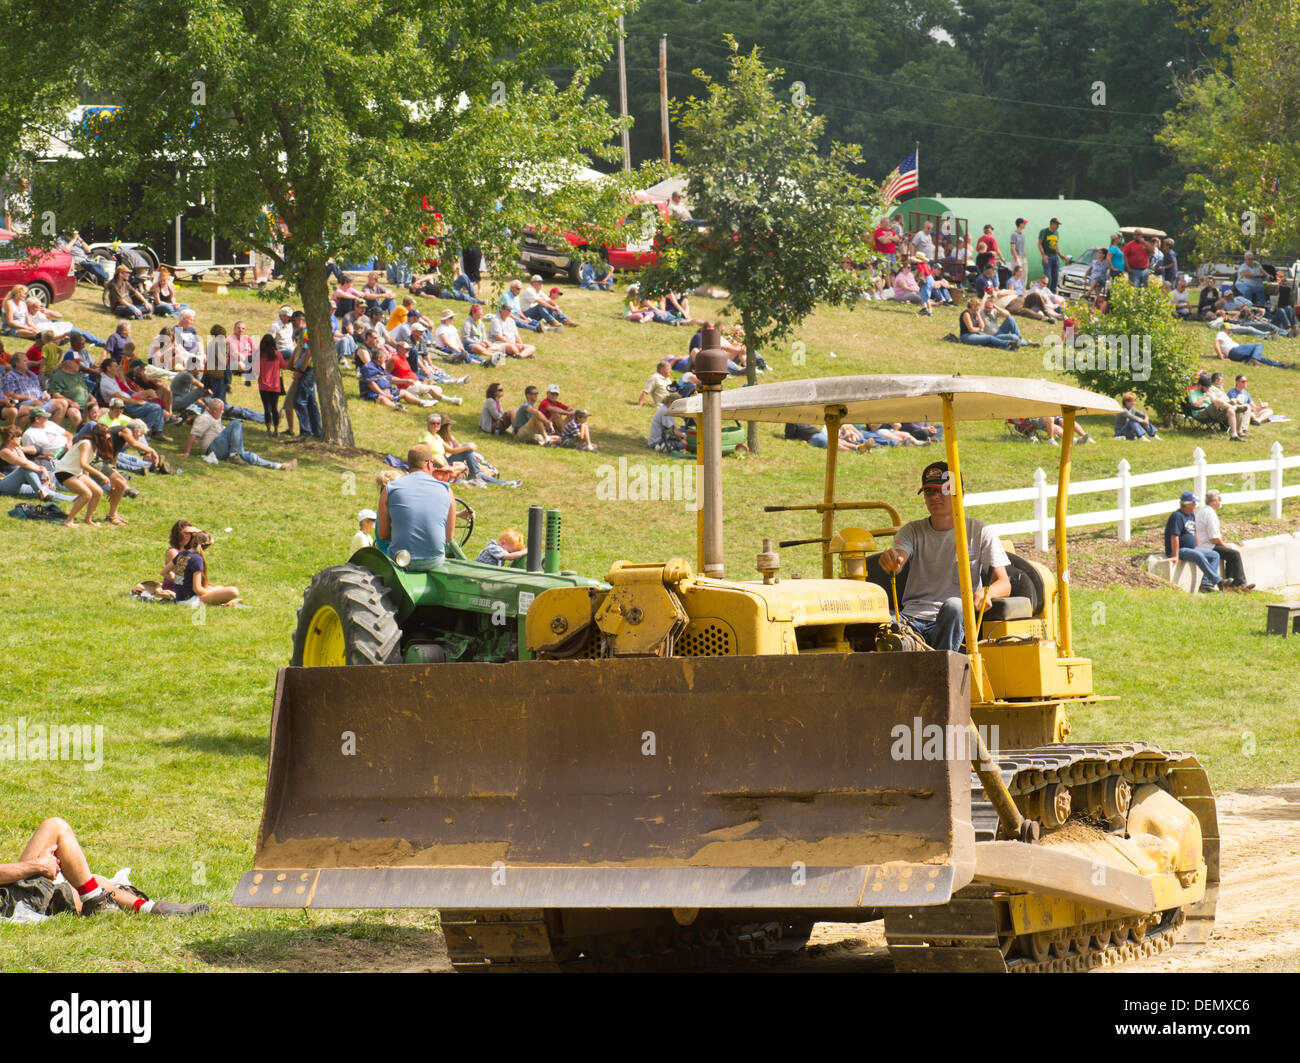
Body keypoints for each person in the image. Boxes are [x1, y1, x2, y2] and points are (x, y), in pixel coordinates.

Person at [878, 461, 1011, 652]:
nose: (935, 497)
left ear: (961, 494)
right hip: (911, 622)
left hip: (953, 621)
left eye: (943, 490)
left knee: (955, 606)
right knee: (880, 620)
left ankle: (942, 669)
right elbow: (899, 558)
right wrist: (892, 562)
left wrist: (985, 593)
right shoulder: (911, 531)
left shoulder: (981, 531)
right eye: (929, 492)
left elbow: (1004, 582)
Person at [0, 817, 209, 918]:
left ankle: (152, 908)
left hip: (7, 894)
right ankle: (97, 901)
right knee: (55, 827)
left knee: (86, 885)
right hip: (5, 900)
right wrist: (37, 865)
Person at [378, 443, 455, 568]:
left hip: (400, 560)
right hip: (434, 561)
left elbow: (383, 534)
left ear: (409, 464)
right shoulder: (446, 490)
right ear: (430, 464)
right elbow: (448, 537)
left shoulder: (390, 489)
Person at [182, 398, 298, 470]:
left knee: (249, 456)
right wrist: (187, 452)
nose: (223, 412)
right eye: (221, 410)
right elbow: (193, 435)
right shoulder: (204, 418)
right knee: (236, 423)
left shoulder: (215, 417)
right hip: (213, 449)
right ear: (213, 411)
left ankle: (279, 466)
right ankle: (233, 455)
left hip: (222, 447)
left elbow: (224, 431)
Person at [54, 424, 127, 526]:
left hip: (76, 473)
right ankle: (69, 521)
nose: (109, 437)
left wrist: (88, 480)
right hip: (64, 472)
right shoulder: (86, 443)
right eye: (107, 434)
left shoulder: (94, 446)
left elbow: (86, 463)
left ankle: (88, 520)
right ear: (100, 436)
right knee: (87, 494)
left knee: (98, 492)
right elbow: (83, 464)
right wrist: (101, 475)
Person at [1194, 489, 1253, 591]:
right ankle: (1239, 584)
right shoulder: (1210, 514)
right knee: (1234, 554)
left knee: (1230, 554)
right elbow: (1214, 538)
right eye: (1219, 499)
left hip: (1202, 544)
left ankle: (1230, 583)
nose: (1220, 502)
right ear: (1214, 501)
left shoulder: (1203, 511)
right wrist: (1224, 544)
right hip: (1208, 546)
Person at [1165, 492, 1221, 591]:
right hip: (1180, 549)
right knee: (1198, 555)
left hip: (1192, 548)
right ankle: (1219, 581)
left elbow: (1194, 532)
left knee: (1214, 555)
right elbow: (1174, 536)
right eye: (1194, 503)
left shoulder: (1191, 514)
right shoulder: (1177, 516)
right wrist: (1175, 555)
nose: (1195, 505)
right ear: (1187, 503)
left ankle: (1206, 584)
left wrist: (1197, 546)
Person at [171, 530, 242, 606]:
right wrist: (211, 592)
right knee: (233, 591)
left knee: (220, 587)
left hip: (180, 597)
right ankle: (227, 602)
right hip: (190, 600)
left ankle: (226, 602)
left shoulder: (182, 554)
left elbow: (164, 572)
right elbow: (197, 589)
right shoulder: (196, 559)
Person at [0, 426, 56, 499]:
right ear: (11, 437)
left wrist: (42, 469)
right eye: (18, 436)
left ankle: (73, 499)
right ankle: (41, 492)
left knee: (47, 491)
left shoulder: (16, 449)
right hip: (4, 484)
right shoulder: (4, 451)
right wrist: (41, 470)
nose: (20, 438)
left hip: (18, 483)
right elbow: (24, 464)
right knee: (25, 468)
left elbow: (27, 461)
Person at [1212, 326, 1293, 370]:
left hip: (1235, 355)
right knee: (1258, 345)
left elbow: (1220, 347)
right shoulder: (1221, 333)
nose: (1229, 331)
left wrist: (1222, 355)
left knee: (1261, 358)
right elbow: (1216, 344)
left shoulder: (1224, 336)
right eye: (1228, 329)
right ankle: (1253, 361)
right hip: (1235, 350)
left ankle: (1281, 365)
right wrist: (1221, 357)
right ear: (1223, 329)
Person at [1037, 218, 1070, 293]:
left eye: (1058, 225)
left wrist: (1061, 255)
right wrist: (1043, 255)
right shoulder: (1044, 231)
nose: (1058, 226)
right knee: (1047, 277)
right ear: (1052, 224)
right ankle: (1045, 293)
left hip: (1055, 257)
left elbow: (1056, 244)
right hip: (1047, 257)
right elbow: (1039, 244)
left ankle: (1053, 294)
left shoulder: (1056, 233)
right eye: (1056, 224)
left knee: (1055, 277)